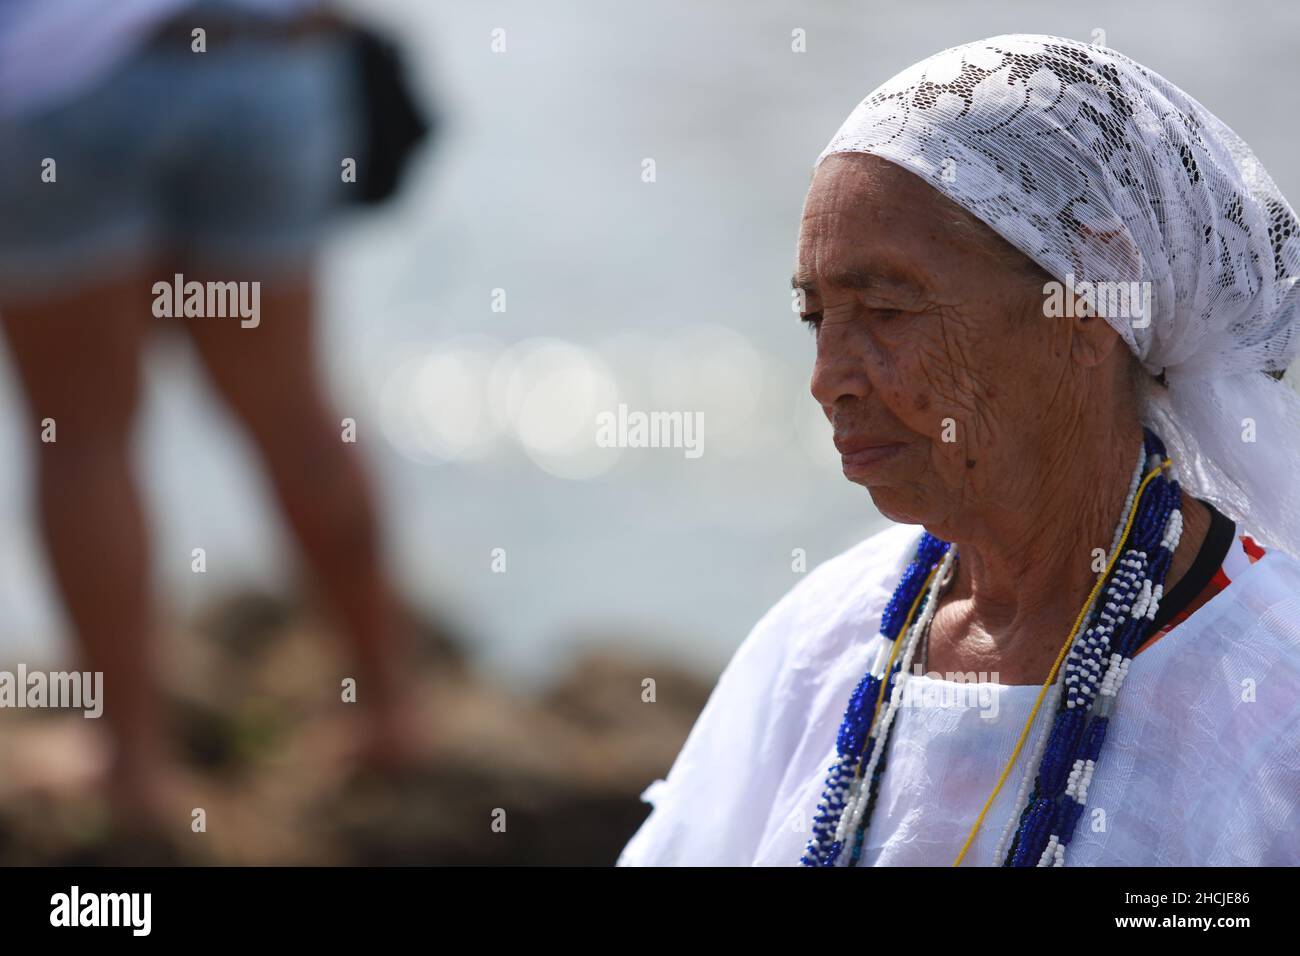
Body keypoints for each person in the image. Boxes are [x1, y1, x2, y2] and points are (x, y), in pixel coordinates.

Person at [617, 34, 1300, 866]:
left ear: (1087, 303)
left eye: (888, 311)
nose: (828, 379)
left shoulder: (1271, 709)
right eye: (814, 317)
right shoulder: (823, 640)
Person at [0, 0, 422, 835]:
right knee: (293, 411)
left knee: (81, 439)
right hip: (268, 59)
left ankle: (133, 767)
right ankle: (388, 713)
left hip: (60, 85)